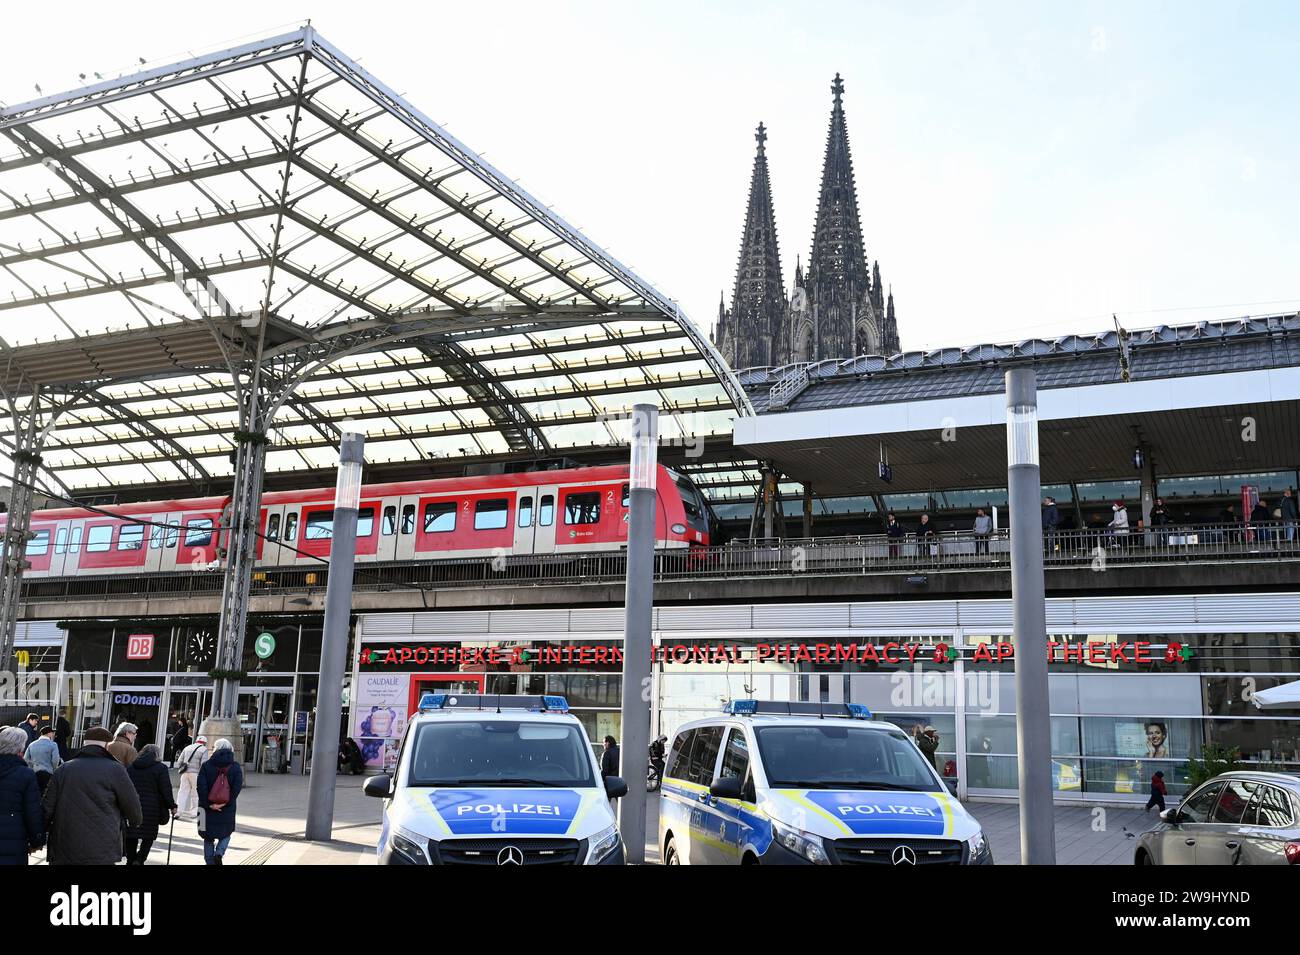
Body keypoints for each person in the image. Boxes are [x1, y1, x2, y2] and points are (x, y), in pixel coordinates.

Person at [41, 725, 143, 866]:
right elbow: (133, 808)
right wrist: (134, 821)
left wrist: (37, 837)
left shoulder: (63, 769)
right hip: (103, 847)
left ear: (84, 744)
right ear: (107, 745)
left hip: (65, 846)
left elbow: (46, 809)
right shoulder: (116, 770)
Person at [124, 743, 177, 865]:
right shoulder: (161, 768)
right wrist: (172, 805)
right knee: (149, 835)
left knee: (131, 834)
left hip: (133, 806)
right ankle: (140, 858)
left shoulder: (131, 767)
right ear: (157, 755)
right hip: (152, 808)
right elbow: (166, 789)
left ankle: (131, 859)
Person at [0, 725, 45, 865]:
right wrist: (37, 840)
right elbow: (32, 811)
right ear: (21, 748)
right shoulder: (26, 774)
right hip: (14, 840)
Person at [197, 738, 244, 865]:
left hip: (205, 809)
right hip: (227, 808)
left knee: (207, 837)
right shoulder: (235, 766)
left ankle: (209, 861)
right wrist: (225, 803)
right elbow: (237, 787)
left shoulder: (206, 765)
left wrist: (209, 804)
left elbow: (200, 787)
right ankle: (219, 853)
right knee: (226, 833)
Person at [175, 735, 208, 819]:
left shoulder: (187, 748)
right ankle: (193, 812)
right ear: (204, 743)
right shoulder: (204, 750)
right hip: (196, 774)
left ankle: (178, 811)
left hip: (185, 773)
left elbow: (179, 761)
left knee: (182, 792)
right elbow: (204, 764)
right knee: (195, 793)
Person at [24, 723, 61, 794]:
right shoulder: (53, 745)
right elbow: (55, 760)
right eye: (53, 733)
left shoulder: (32, 744)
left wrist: (32, 768)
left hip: (34, 774)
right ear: (49, 733)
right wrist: (54, 769)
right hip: (48, 773)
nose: (53, 734)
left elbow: (26, 759)